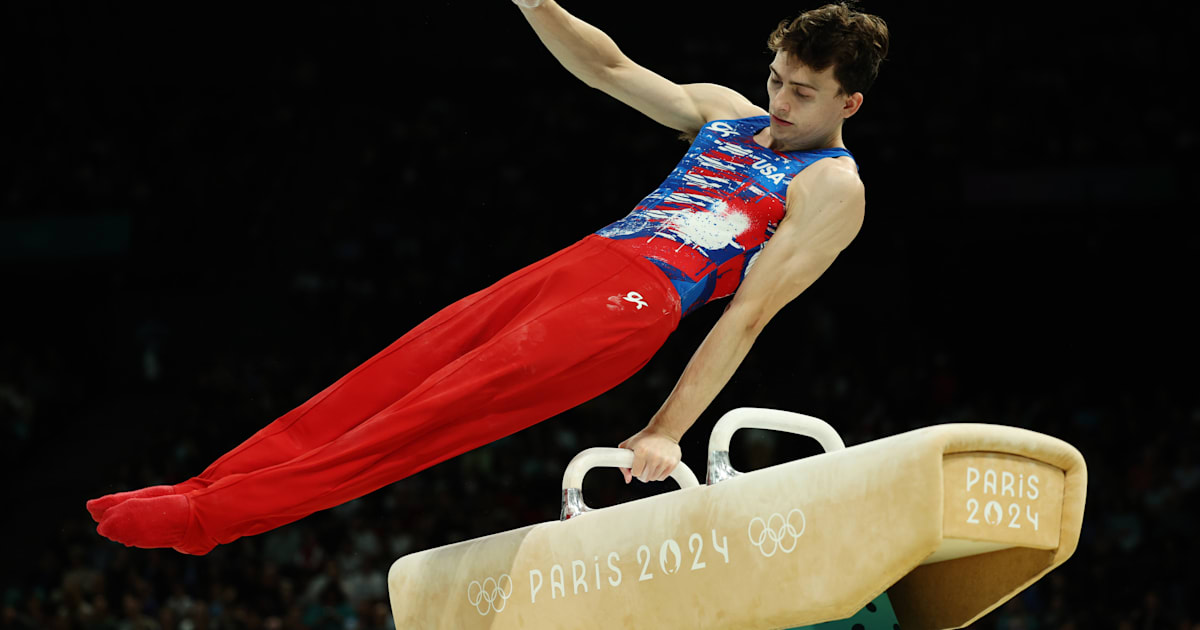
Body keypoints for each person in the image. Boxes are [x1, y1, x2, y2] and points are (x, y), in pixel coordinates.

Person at [87, 0, 889, 555]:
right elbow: (610, 68)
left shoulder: (832, 189)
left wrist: (665, 429)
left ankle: (209, 519)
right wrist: (537, 6)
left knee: (424, 417)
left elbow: (747, 315)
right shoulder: (726, 111)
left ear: (848, 103)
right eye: (778, 77)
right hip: (578, 263)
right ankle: (204, 484)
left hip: (634, 305)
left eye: (803, 92)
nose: (780, 99)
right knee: (388, 375)